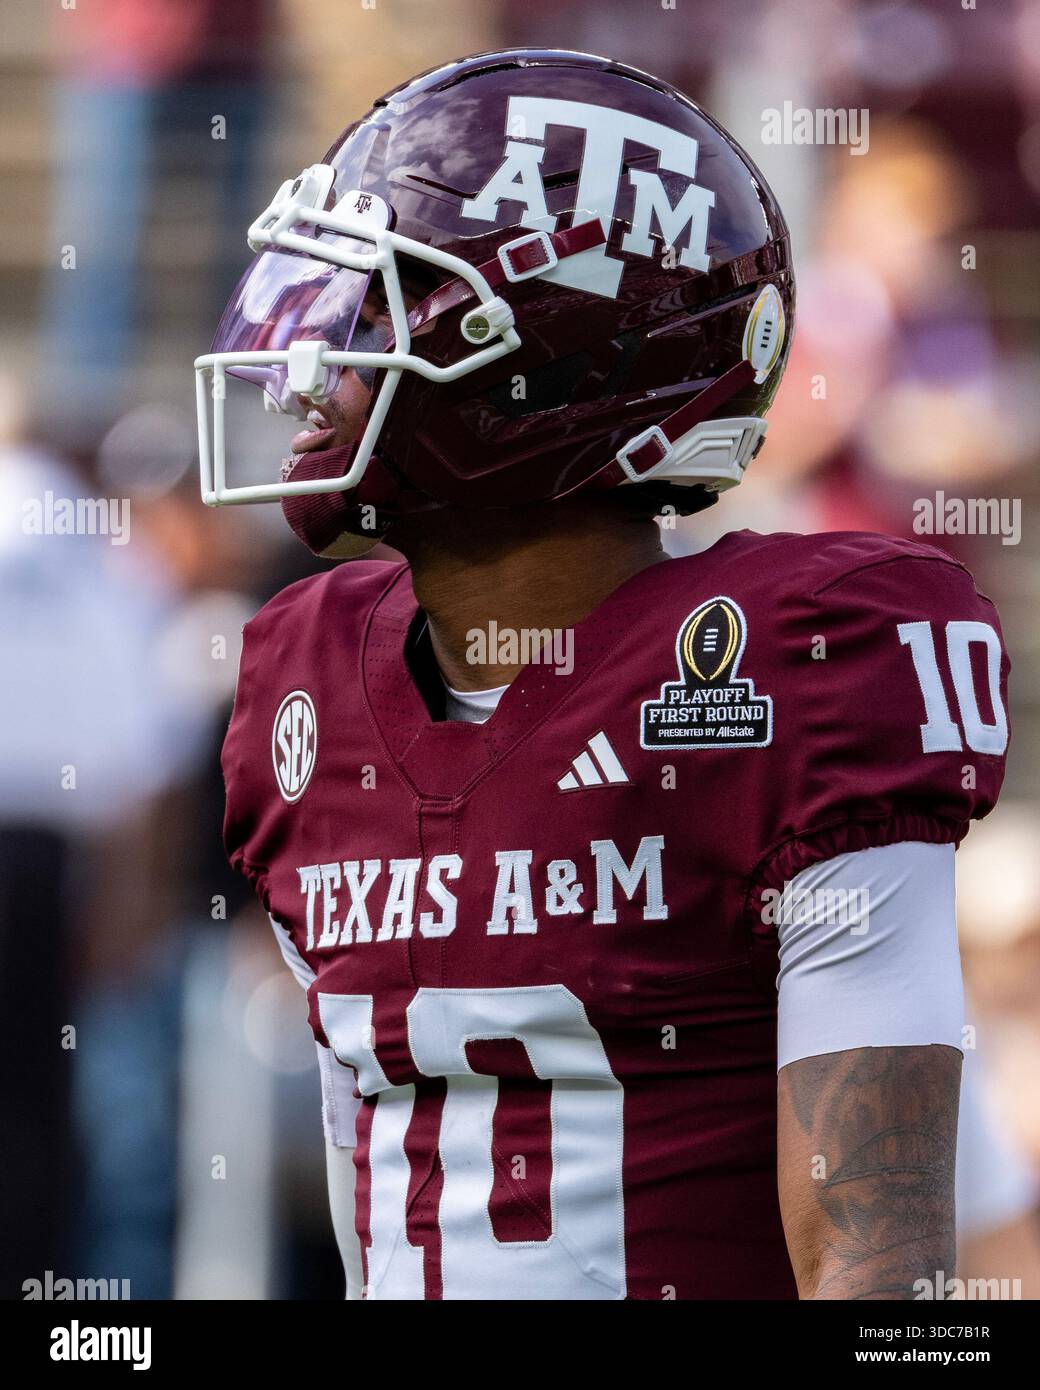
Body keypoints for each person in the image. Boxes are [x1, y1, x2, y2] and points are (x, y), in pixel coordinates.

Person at [196, 50, 1009, 1299]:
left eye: (377, 307)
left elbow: (882, 1269)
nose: (313, 364)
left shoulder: (790, 666)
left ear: (548, 359)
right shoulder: (306, 678)